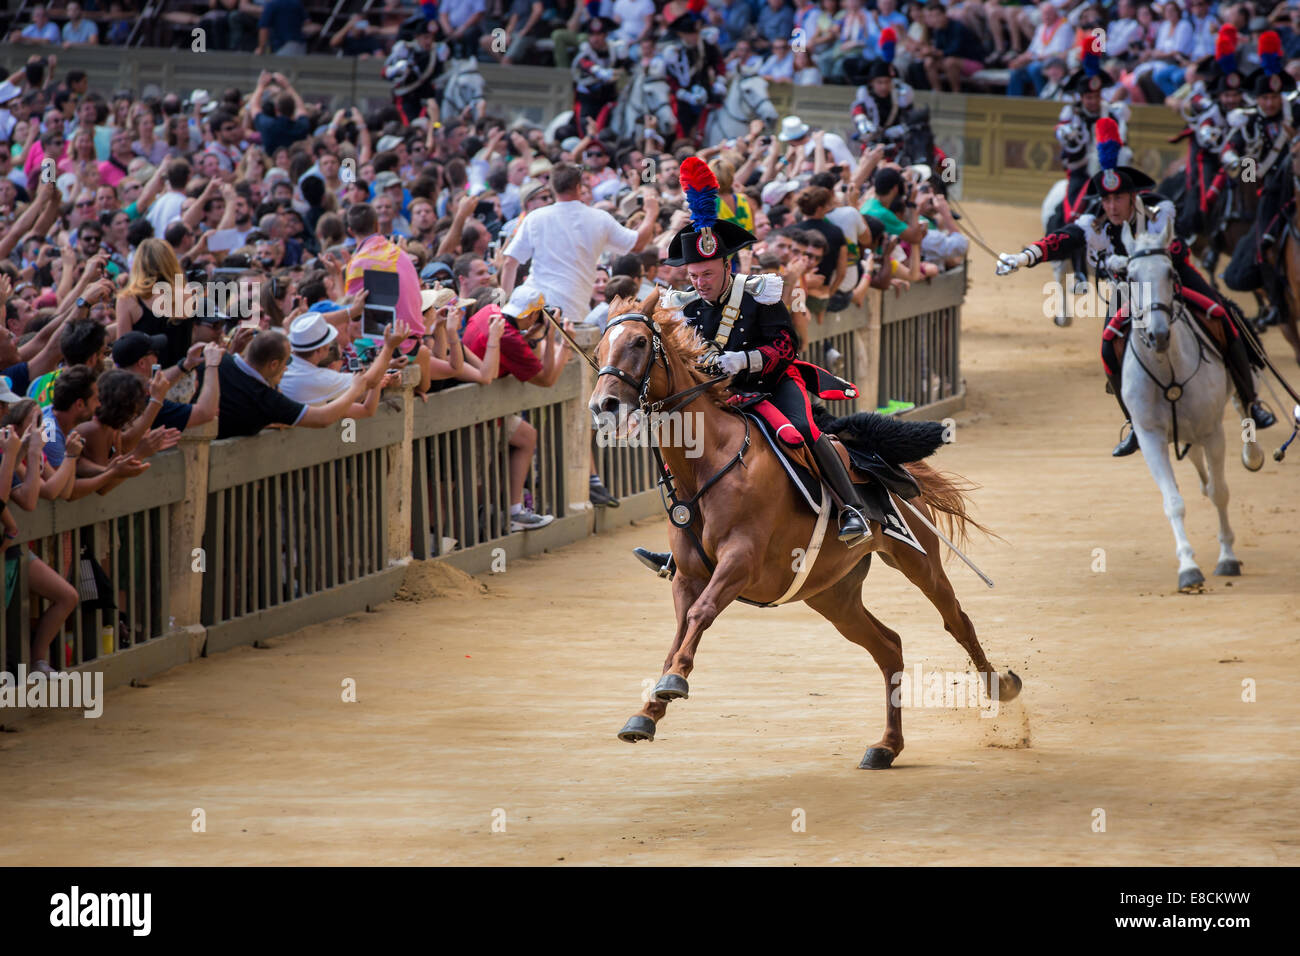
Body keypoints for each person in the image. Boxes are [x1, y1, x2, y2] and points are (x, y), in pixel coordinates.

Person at [632, 158, 870, 580]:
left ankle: (852, 510)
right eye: (693, 274)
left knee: (802, 431)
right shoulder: (684, 306)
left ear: (727, 266)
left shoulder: (759, 294)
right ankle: (684, 543)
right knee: (679, 447)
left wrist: (744, 359)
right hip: (718, 396)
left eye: (707, 273)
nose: (700, 282)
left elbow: (785, 345)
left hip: (770, 385)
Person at [995, 117, 1275, 457]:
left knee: (1225, 316)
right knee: (1107, 349)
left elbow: (1173, 251)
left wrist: (1128, 263)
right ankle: (1133, 423)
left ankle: (1251, 401)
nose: (1111, 207)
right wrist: (1022, 257)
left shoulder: (1159, 213)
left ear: (1132, 197)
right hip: (1128, 293)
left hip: (1175, 277)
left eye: (1118, 199)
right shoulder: (1095, 222)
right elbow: (1060, 240)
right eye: (1106, 199)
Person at [501, 162, 658, 327]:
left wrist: (505, 307)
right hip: (570, 312)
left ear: (552, 188)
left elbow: (509, 263)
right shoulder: (599, 218)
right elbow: (637, 244)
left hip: (531, 311)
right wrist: (651, 213)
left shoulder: (535, 217)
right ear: (578, 186)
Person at [202, 329, 367, 440]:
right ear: (273, 364)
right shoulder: (267, 400)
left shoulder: (216, 359)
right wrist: (354, 390)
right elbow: (322, 418)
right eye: (286, 360)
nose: (287, 367)